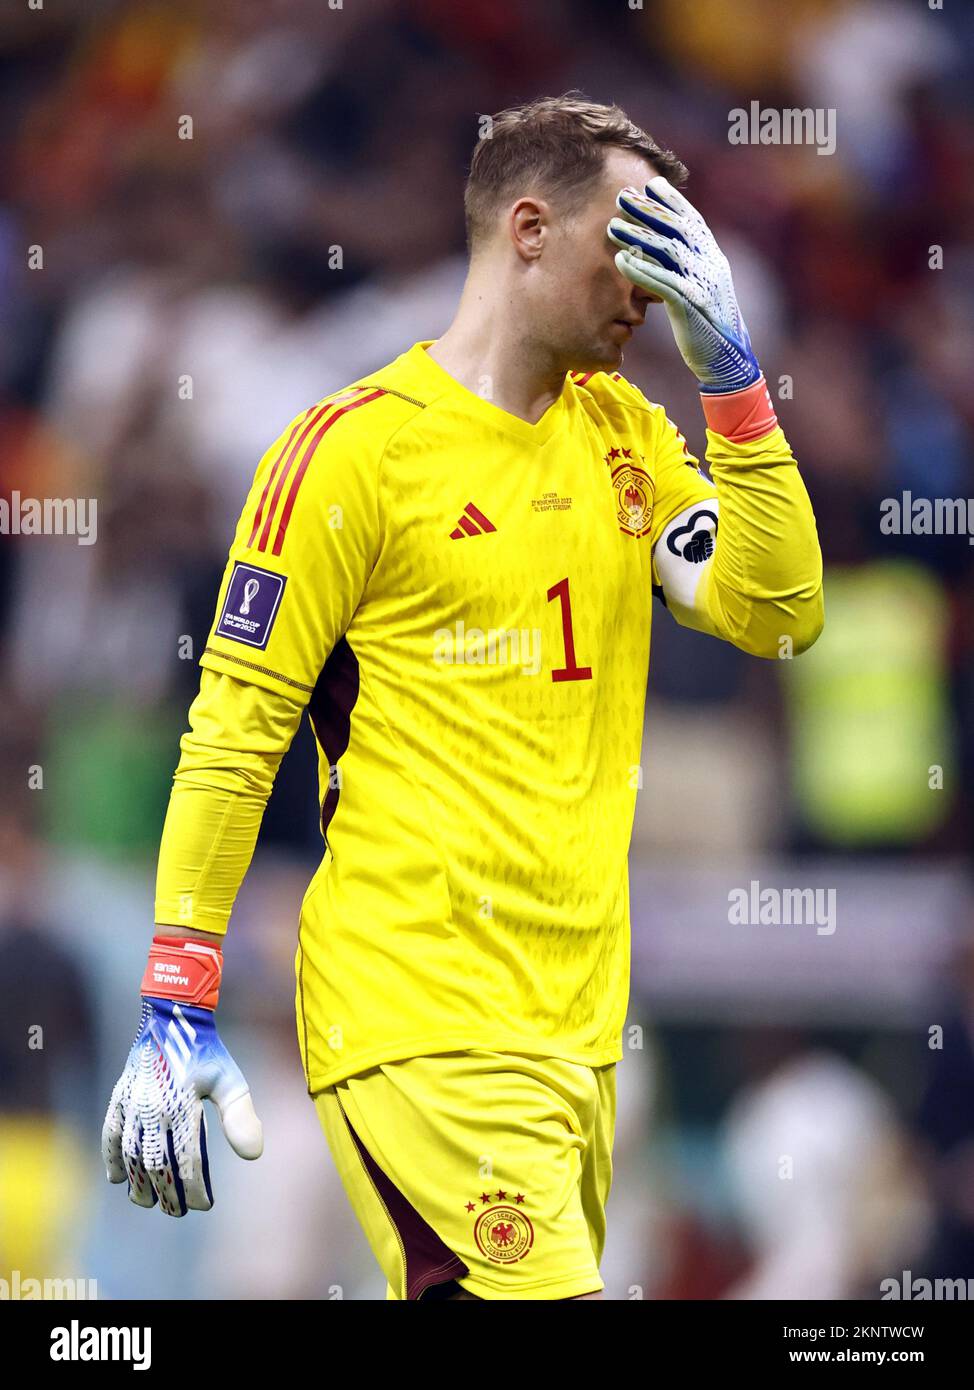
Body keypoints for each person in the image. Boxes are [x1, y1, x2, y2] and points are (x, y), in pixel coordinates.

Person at [102, 93, 824, 1301]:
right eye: (632, 245)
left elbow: (777, 608)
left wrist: (733, 379)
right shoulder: (349, 453)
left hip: (578, 1037)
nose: (654, 285)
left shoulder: (623, 438)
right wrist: (177, 992)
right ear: (528, 229)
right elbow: (233, 732)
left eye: (675, 256)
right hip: (417, 1017)